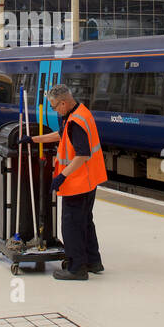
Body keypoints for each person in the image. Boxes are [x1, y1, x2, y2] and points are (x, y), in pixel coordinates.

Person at [22, 83, 107, 280]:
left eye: (53, 106)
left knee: (71, 225)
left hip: (77, 182)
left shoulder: (76, 122)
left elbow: (82, 155)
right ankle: (93, 261)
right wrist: (33, 140)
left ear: (63, 103)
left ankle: (77, 268)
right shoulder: (79, 113)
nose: (53, 110)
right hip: (89, 180)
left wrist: (62, 176)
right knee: (85, 221)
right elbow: (61, 135)